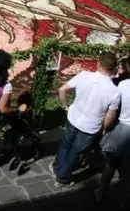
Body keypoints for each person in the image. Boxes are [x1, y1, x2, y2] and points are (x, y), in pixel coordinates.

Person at [51, 52, 120, 187]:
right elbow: (110, 116)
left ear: (99, 63)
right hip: (91, 126)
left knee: (65, 144)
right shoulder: (114, 91)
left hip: (73, 117)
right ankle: (62, 178)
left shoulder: (84, 76)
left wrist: (65, 106)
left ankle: (57, 167)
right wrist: (103, 129)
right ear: (113, 69)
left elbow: (62, 89)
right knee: (76, 152)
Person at [95, 67, 130, 204]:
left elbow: (113, 104)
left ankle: (101, 191)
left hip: (125, 129)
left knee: (112, 163)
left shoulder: (123, 84)